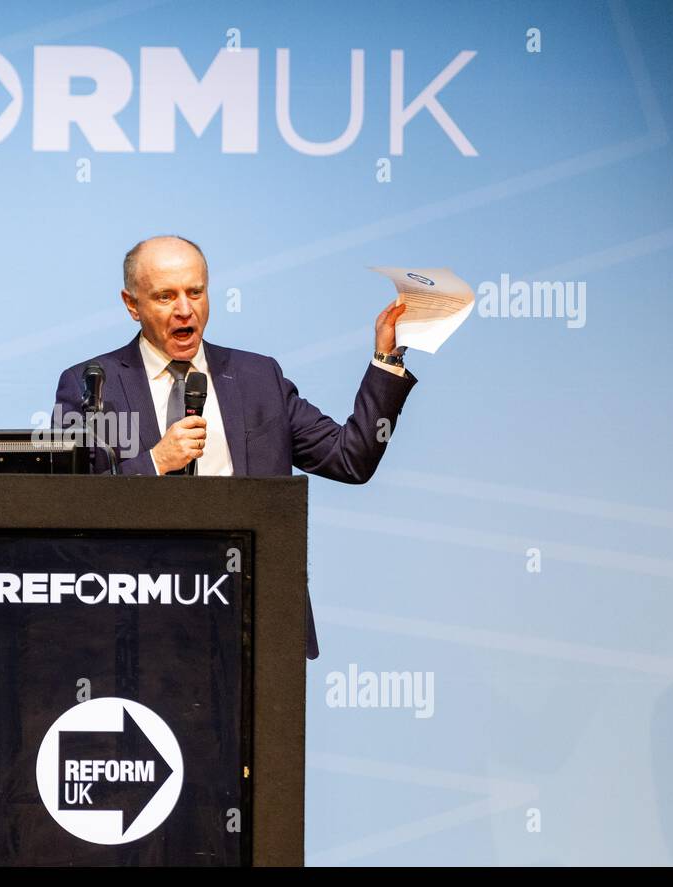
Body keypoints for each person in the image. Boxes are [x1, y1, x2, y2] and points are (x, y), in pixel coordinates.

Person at [53, 235, 417, 659]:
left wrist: (386, 361)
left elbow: (351, 459)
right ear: (132, 304)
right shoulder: (92, 384)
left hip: (250, 621)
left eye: (196, 292)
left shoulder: (258, 377)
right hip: (133, 625)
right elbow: (67, 510)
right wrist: (154, 462)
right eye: (166, 296)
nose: (185, 310)